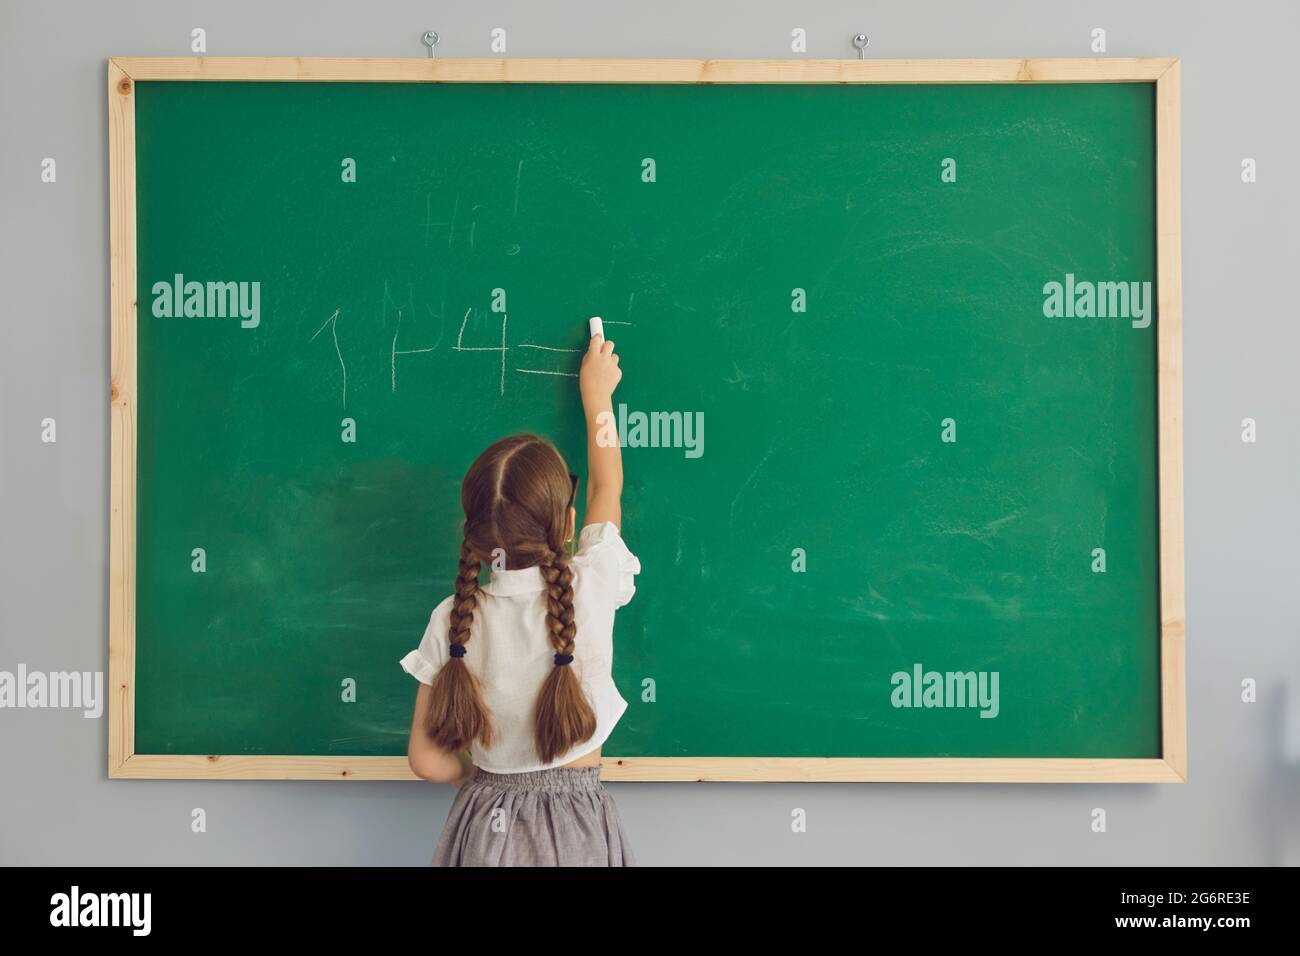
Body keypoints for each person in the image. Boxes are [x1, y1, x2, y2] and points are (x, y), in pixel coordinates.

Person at [400, 332, 639, 866]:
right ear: (568, 524)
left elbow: (425, 761)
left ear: (475, 537)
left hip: (485, 826)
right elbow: (608, 490)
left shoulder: (452, 621)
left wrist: (477, 780)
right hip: (577, 832)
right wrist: (597, 398)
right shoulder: (590, 584)